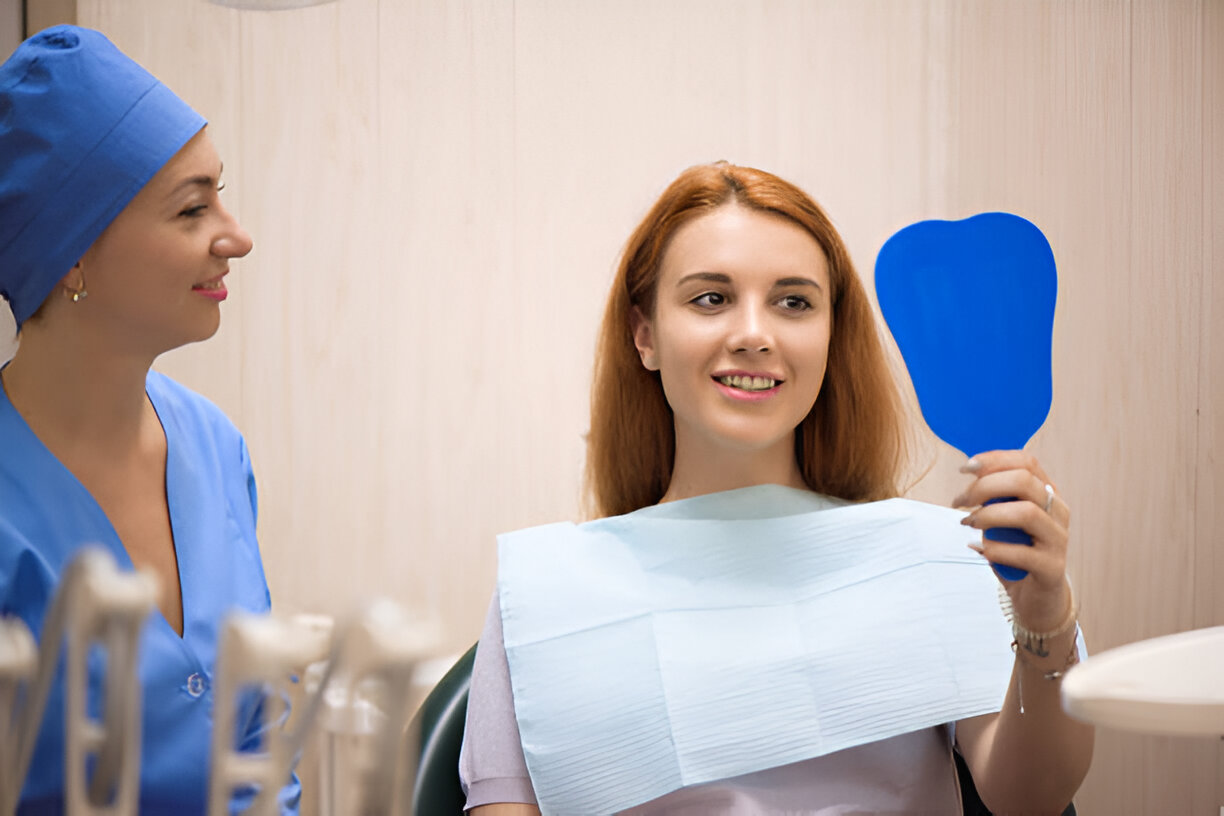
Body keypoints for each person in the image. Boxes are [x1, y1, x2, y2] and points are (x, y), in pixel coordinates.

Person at [459, 163, 1093, 814]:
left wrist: (1045, 616)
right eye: (711, 298)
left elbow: (1028, 797)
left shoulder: (950, 555)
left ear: (829, 335)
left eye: (794, 302)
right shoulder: (545, 598)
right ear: (644, 334)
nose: (755, 335)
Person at [0, 25, 298, 815]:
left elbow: (261, 746)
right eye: (192, 209)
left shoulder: (213, 445)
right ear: (70, 257)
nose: (236, 236)